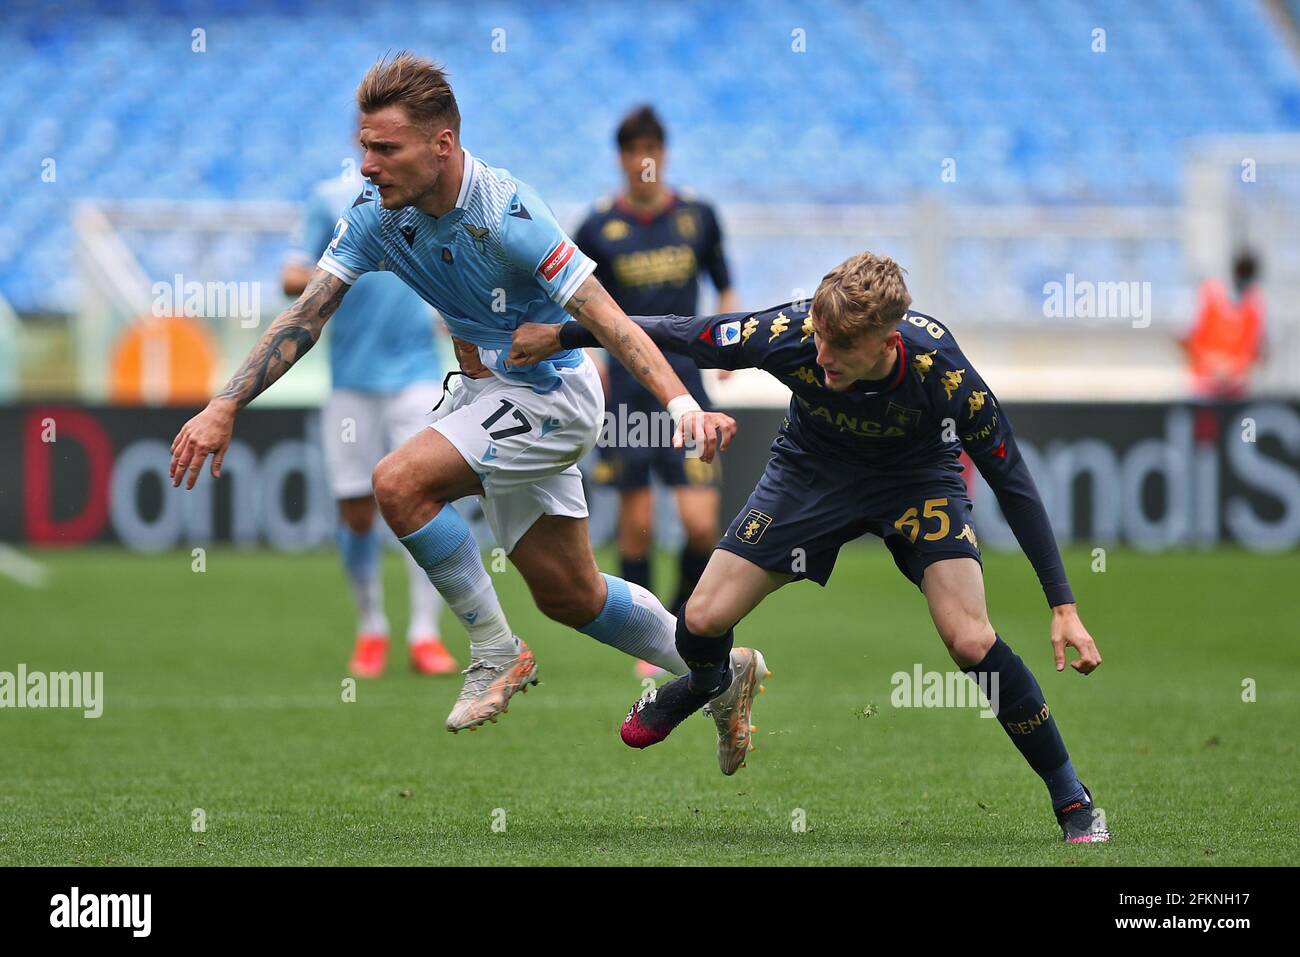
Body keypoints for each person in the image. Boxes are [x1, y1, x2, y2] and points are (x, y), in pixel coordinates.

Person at [169, 52, 762, 752]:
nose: (366, 164)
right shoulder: (374, 216)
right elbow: (306, 314)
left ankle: (493, 650)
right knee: (571, 595)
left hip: (554, 394)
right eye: (364, 146)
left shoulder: (510, 215)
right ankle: (724, 671)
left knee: (398, 481)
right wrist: (226, 403)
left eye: (384, 148)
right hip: (491, 389)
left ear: (441, 144)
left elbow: (610, 319)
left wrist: (678, 402)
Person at [509, 251, 1111, 839]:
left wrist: (1063, 605)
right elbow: (682, 332)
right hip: (811, 473)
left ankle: (1071, 798)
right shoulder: (790, 332)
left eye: (840, 347)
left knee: (971, 640)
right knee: (701, 619)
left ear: (887, 341)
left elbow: (1012, 478)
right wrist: (563, 336)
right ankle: (711, 681)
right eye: (818, 337)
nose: (821, 355)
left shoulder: (942, 372)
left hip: (916, 481)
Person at [574, 107, 736, 661]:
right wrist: (594, 363)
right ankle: (650, 641)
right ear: (621, 158)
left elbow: (725, 285)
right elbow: (582, 303)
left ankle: (680, 619)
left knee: (699, 524)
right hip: (627, 391)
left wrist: (729, 346)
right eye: (632, 151)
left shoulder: (698, 216)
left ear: (663, 154)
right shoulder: (597, 227)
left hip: (686, 387)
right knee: (637, 524)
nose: (643, 160)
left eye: (652, 150)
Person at [282, 160, 456, 678]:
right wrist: (339, 267)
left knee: (425, 501)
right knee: (357, 509)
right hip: (351, 380)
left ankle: (425, 635)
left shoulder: (428, 194)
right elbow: (291, 274)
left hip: (419, 375)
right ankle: (371, 626)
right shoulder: (332, 199)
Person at [1183, 249, 1265, 400]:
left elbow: (1261, 348)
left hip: (1238, 390)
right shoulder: (1206, 295)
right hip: (1203, 388)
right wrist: (1213, 366)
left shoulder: (1256, 304)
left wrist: (1235, 371)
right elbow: (1184, 337)